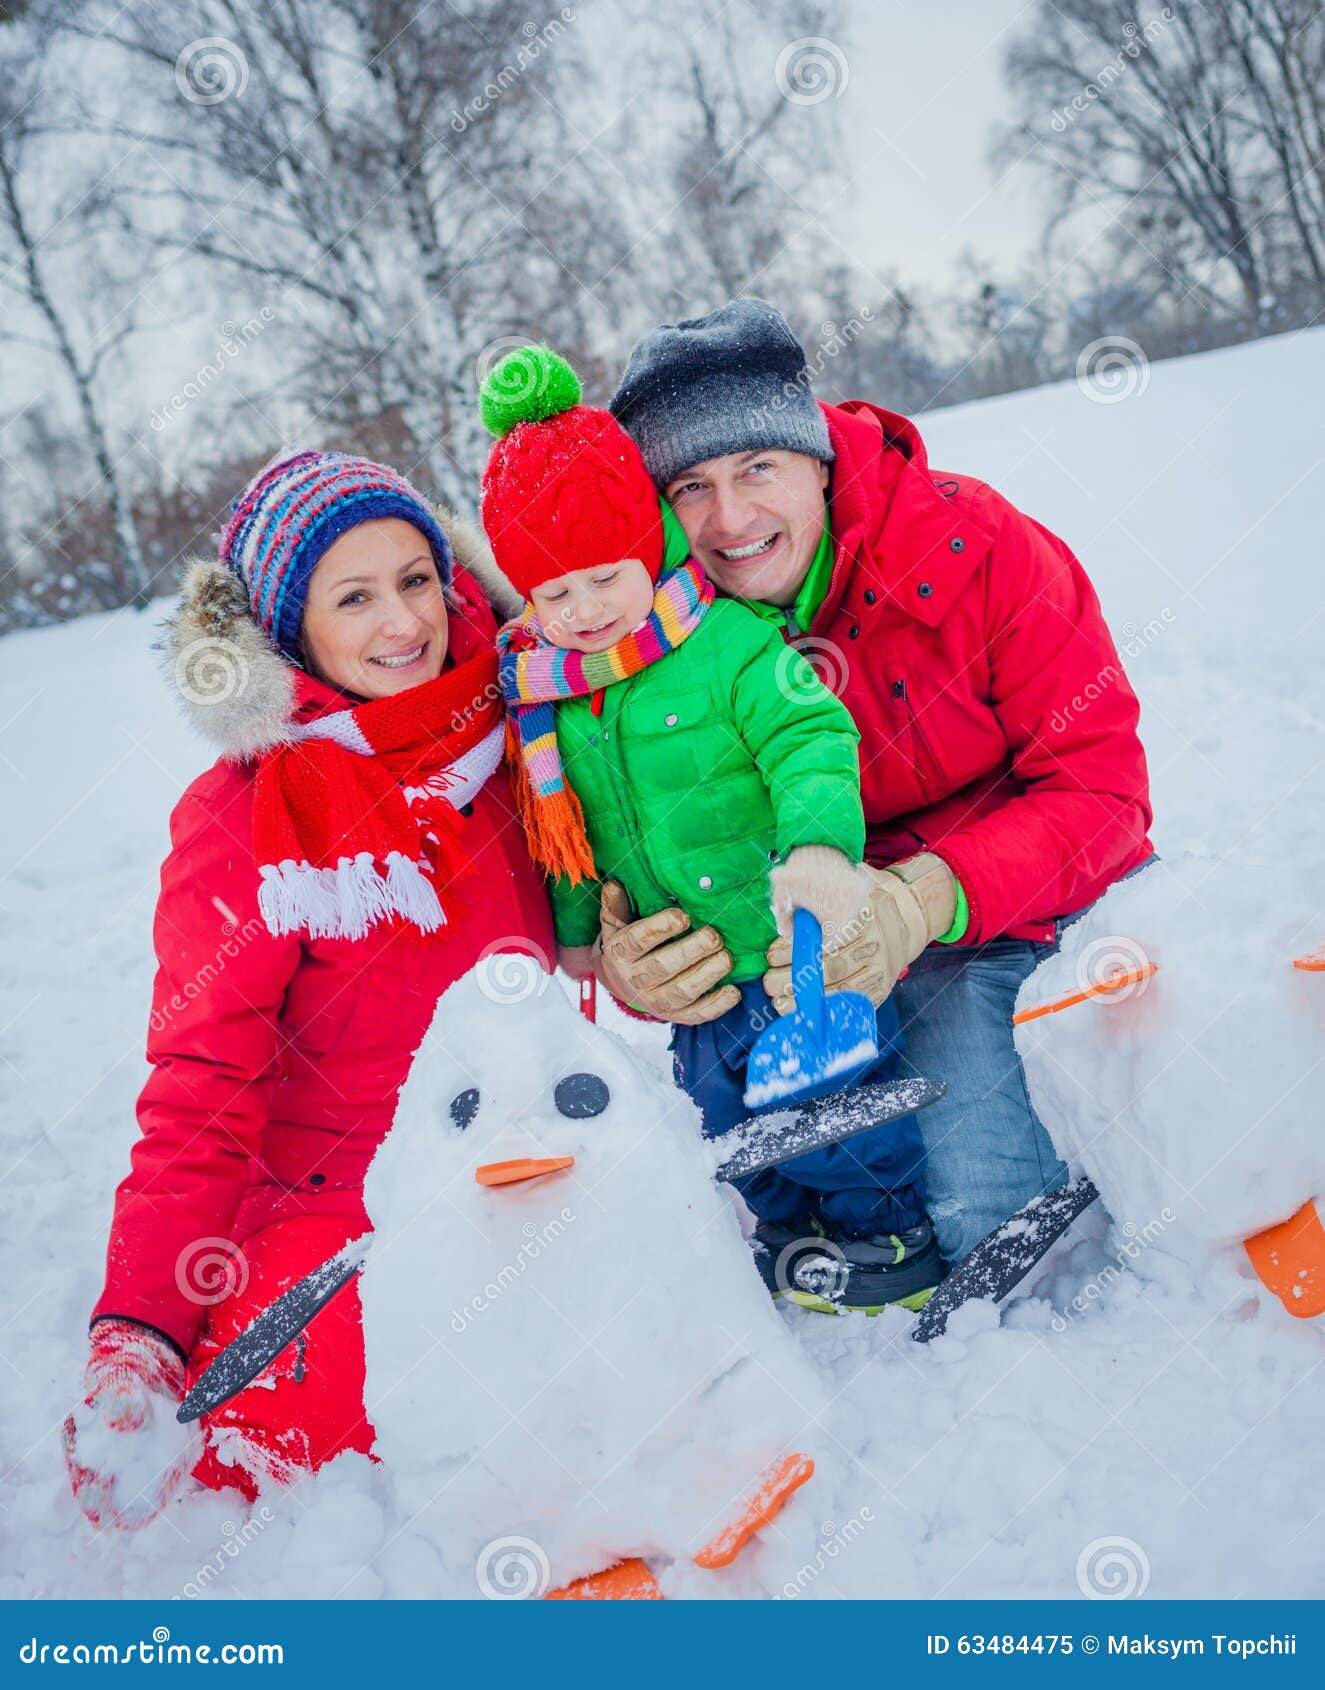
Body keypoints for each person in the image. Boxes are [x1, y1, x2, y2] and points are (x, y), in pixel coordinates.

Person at [592, 297, 1154, 1268]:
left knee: (1031, 1191)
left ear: (813, 454)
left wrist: (918, 897)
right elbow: (637, 844)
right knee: (914, 1213)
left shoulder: (975, 546)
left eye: (755, 467)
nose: (729, 519)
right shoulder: (646, 651)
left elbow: (1103, 790)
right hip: (838, 959)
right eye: (689, 485)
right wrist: (632, 968)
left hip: (1032, 899)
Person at [63, 451, 553, 1529]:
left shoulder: (527, 738)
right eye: (354, 596)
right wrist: (137, 1330)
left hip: (531, 1159)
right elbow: (200, 1081)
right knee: (336, 1426)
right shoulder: (250, 815)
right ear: (289, 631)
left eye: (416, 578)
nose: (402, 623)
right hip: (342, 1203)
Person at [480, 346, 946, 1311]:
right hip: (687, 971)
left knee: (834, 1102)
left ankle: (886, 1232)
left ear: (647, 542)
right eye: (552, 595)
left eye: (601, 578)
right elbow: (575, 837)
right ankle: (785, 1229)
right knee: (724, 1114)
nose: (581, 612)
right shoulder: (550, 698)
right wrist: (581, 944)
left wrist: (821, 853)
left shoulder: (726, 641)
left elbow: (810, 734)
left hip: (786, 948)